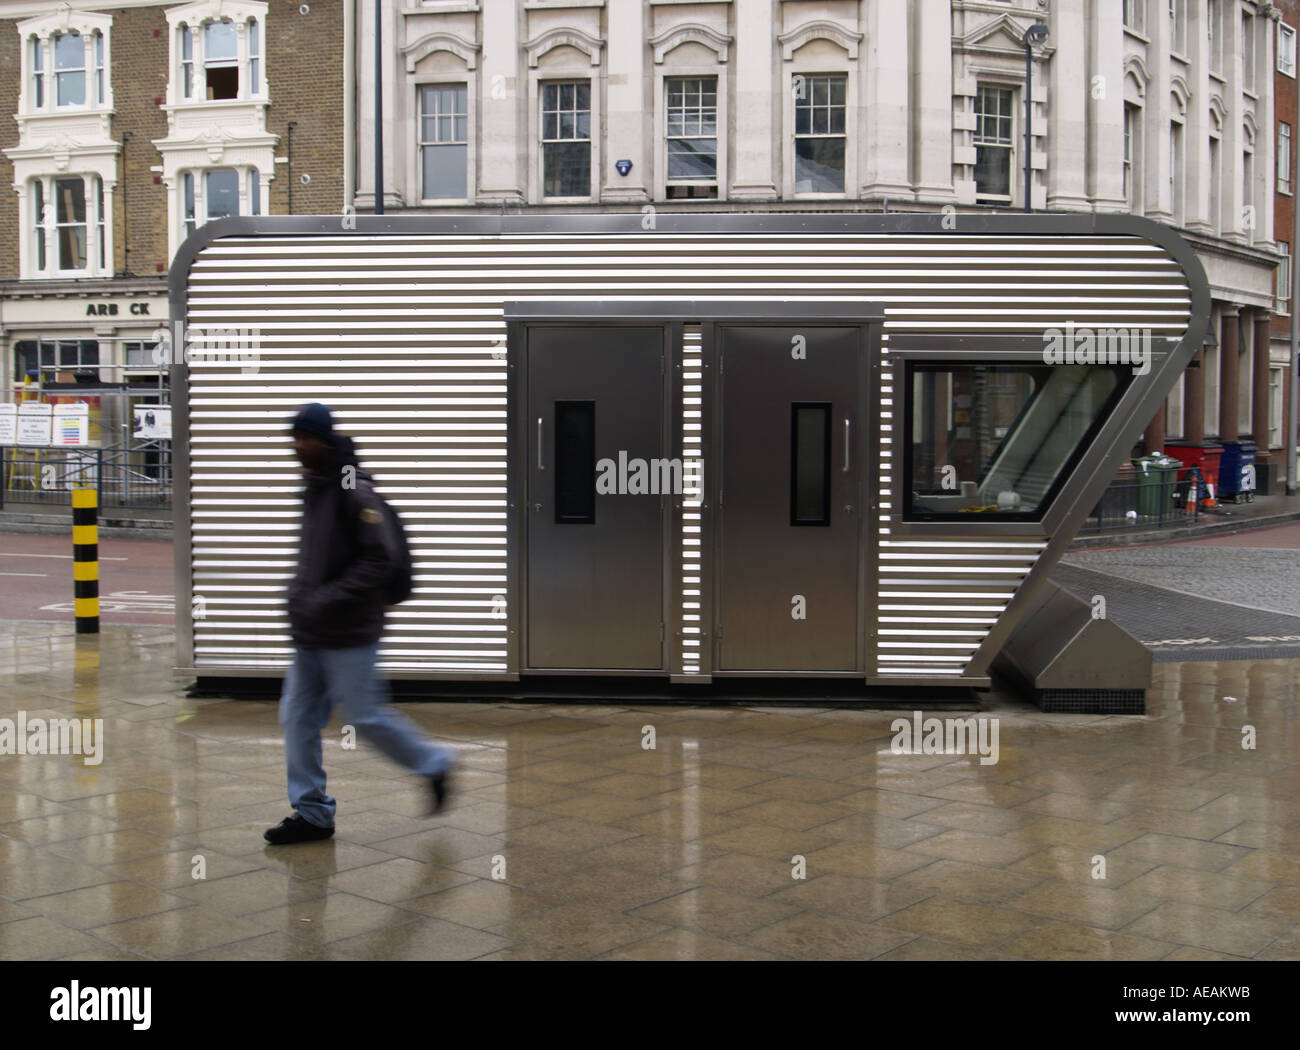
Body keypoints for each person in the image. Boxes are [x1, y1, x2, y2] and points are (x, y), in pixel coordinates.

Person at [265, 403, 455, 844]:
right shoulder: (316, 486)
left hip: (349, 631)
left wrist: (326, 598)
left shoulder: (352, 487)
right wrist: (300, 596)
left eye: (303, 438)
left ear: (323, 440)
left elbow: (381, 559)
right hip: (312, 631)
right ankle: (312, 813)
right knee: (296, 718)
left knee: (366, 717)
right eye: (293, 438)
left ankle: (434, 763)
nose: (295, 446)